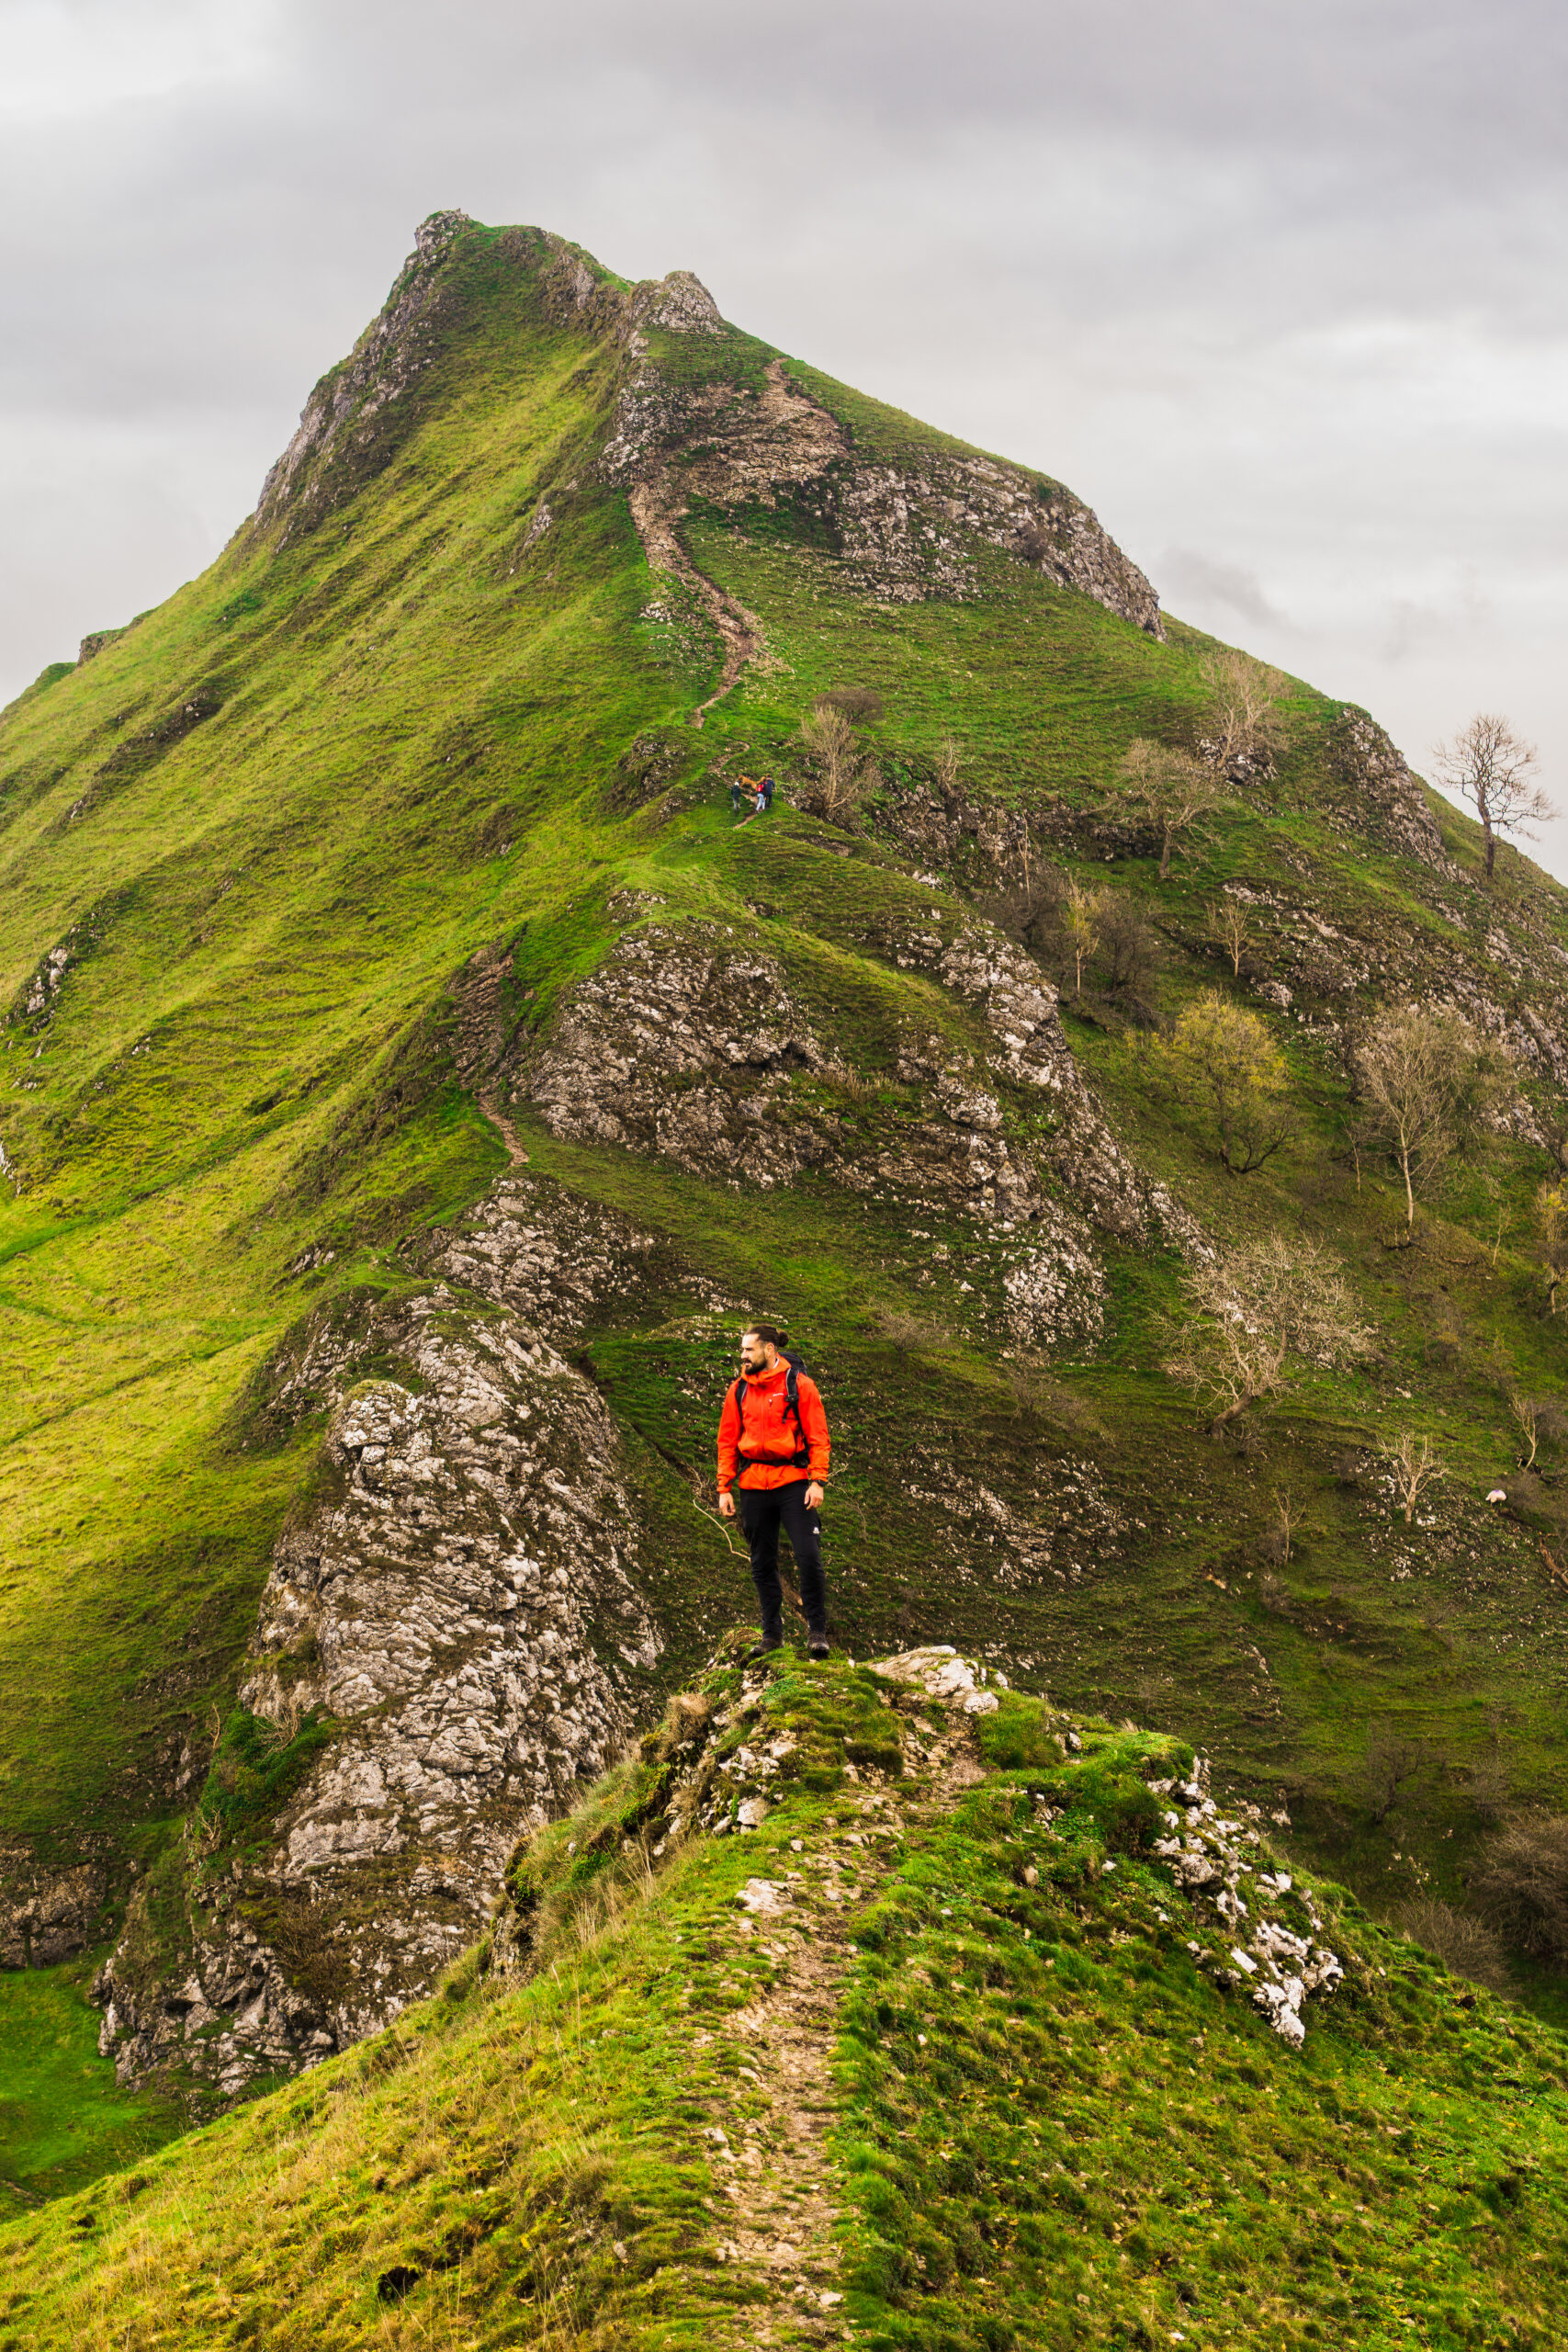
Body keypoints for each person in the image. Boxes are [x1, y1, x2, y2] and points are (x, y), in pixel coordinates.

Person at [716, 1324, 831, 1658]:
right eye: (742, 1350)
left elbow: (818, 1437)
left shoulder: (800, 1386)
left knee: (808, 1556)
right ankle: (771, 1635)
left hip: (795, 1482)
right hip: (753, 1484)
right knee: (761, 1562)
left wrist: (817, 1481)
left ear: (769, 1350)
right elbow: (727, 1442)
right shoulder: (737, 1389)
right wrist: (724, 1487)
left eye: (748, 1350)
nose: (743, 1356)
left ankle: (817, 1633)